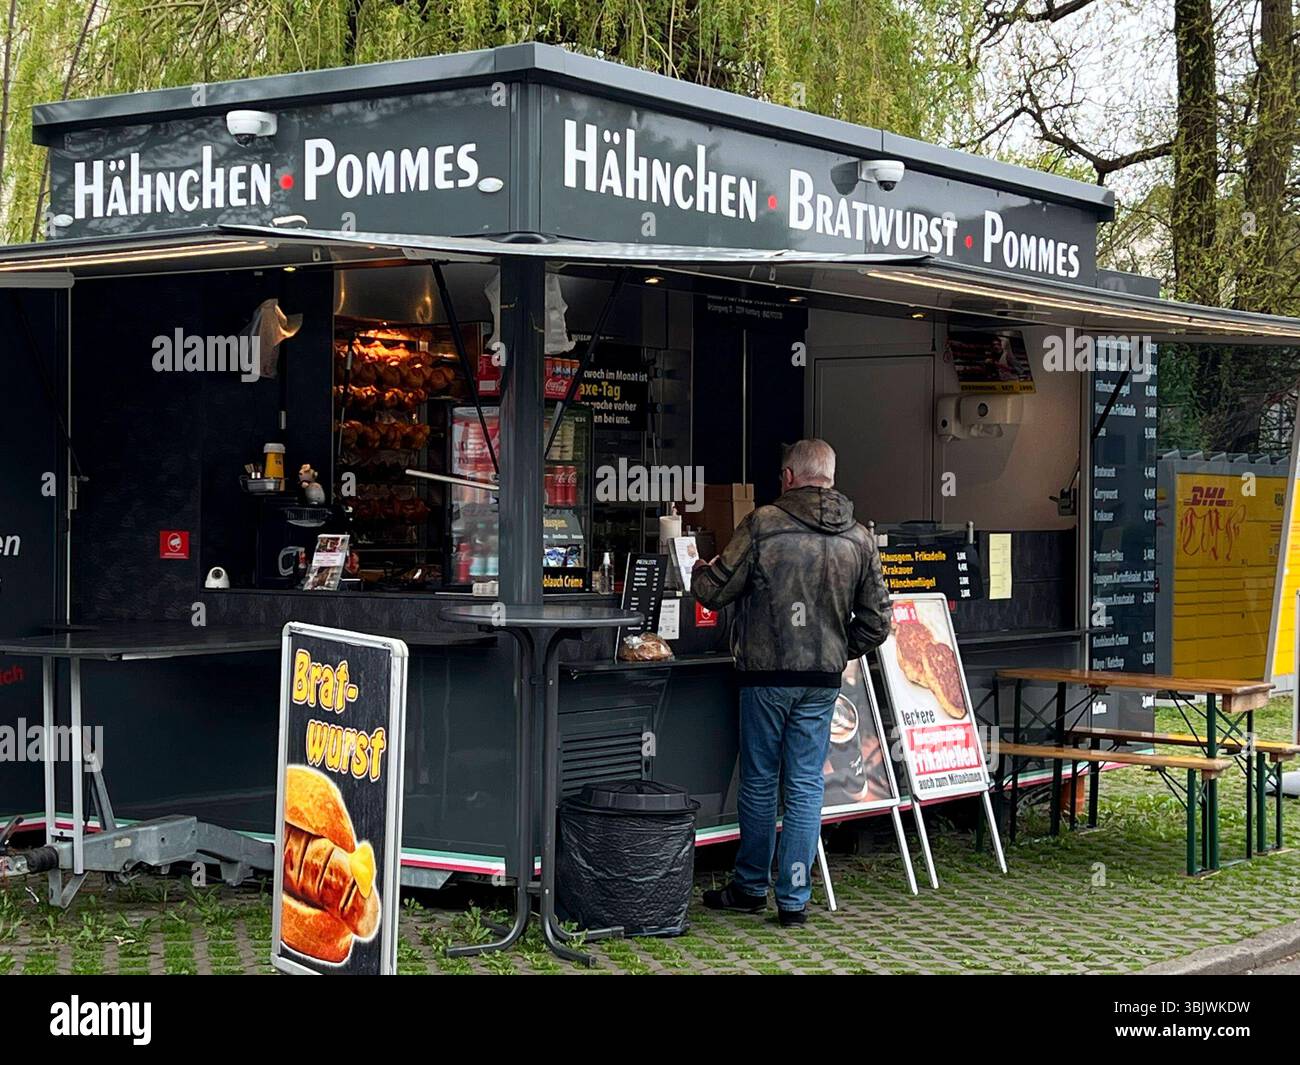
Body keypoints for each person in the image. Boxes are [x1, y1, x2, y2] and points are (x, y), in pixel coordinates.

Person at [691, 439, 891, 926]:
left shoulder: (763, 524)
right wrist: (838, 651)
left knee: (760, 781)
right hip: (822, 680)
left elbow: (713, 592)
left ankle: (751, 886)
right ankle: (795, 899)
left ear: (788, 477)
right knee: (804, 784)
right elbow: (878, 621)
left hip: (766, 675)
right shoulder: (860, 537)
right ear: (831, 476)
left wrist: (697, 568)